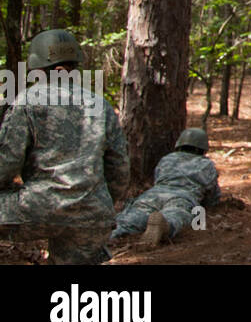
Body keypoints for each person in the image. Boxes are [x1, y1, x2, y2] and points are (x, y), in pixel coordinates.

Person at [0, 29, 128, 264]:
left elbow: (5, 165)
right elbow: (119, 170)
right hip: (92, 213)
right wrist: (96, 201)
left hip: (39, 208)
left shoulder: (28, 101)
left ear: (37, 66)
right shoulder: (100, 104)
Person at [110, 127, 220, 248]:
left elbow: (157, 178)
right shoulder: (206, 165)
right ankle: (164, 225)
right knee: (176, 214)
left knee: (134, 216)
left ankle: (113, 234)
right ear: (204, 148)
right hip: (182, 196)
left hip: (153, 195)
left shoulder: (167, 159)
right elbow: (211, 195)